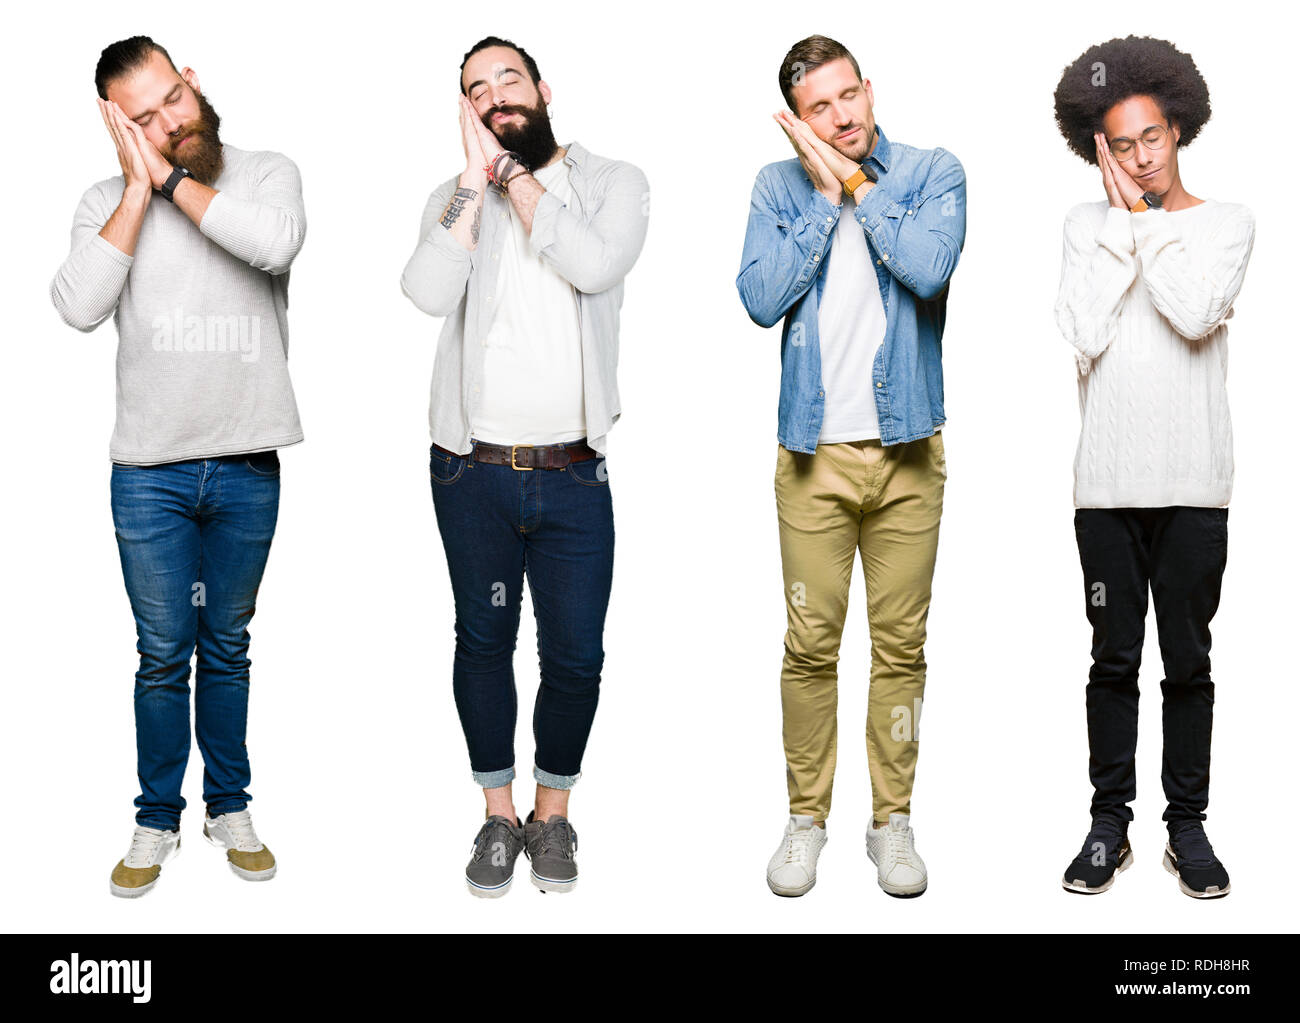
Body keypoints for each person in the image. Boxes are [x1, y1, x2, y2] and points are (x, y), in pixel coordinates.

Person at [50, 35, 305, 897]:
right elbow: (78, 305)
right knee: (163, 653)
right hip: (151, 475)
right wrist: (135, 188)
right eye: (142, 119)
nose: (166, 123)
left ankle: (227, 804)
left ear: (191, 82)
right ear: (117, 126)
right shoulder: (104, 200)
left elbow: (273, 245)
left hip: (244, 465)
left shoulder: (266, 173)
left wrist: (167, 179)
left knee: (226, 646)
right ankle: (156, 818)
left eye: (171, 100)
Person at [400, 36, 649, 897]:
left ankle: (555, 815)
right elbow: (427, 291)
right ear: (466, 110)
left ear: (543, 89)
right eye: (476, 89)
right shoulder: (454, 196)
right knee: (484, 640)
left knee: (576, 655)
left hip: (574, 474)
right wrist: (476, 182)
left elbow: (594, 261)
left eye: (509, 78)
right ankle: (497, 816)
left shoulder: (613, 182)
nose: (496, 95)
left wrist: (511, 176)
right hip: (472, 471)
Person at [737, 34, 965, 898]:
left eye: (848, 97)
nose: (842, 117)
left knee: (901, 648)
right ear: (798, 120)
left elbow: (929, 269)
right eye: (820, 108)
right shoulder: (776, 188)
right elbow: (758, 300)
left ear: (869, 88)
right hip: (813, 459)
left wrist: (858, 188)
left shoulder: (933, 172)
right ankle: (806, 819)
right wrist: (822, 201)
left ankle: (892, 820)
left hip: (910, 454)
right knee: (811, 646)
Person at [1053, 35, 1254, 899]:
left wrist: (1140, 224)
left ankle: (1187, 827)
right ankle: (1109, 824)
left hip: (1194, 490)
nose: (1139, 159)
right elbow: (1083, 332)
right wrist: (1116, 228)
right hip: (1105, 491)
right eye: (1120, 144)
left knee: (1189, 664)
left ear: (1179, 130)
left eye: (1151, 139)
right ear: (1099, 147)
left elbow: (1195, 311)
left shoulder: (1227, 223)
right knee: (1111, 663)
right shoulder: (1081, 226)